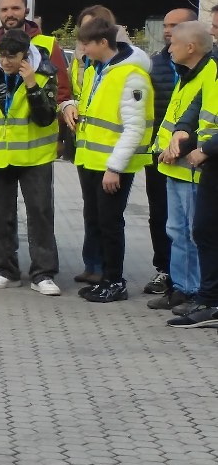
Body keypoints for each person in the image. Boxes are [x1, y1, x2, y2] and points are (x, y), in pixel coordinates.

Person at [70, 18, 154, 303]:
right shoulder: (98, 71)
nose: (82, 50)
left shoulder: (131, 75)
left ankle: (115, 281)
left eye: (86, 44)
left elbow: (134, 127)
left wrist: (114, 168)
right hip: (92, 161)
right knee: (96, 220)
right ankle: (104, 278)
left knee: (110, 223)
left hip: (112, 166)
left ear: (103, 43)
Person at [0, 30, 63, 295]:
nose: (6, 61)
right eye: (2, 55)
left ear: (26, 54)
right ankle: (5, 270)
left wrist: (32, 84)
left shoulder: (46, 72)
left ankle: (43, 274)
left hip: (36, 158)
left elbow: (47, 117)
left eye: (11, 56)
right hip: (1, 158)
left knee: (40, 214)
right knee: (0, 215)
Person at [150, 19, 213, 311]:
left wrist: (186, 146)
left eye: (174, 42)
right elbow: (184, 116)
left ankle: (193, 291)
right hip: (175, 164)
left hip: (195, 167)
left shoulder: (210, 72)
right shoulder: (187, 72)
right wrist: (172, 143)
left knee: (191, 232)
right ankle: (180, 286)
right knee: (177, 231)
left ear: (190, 47)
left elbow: (204, 118)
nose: (169, 47)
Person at [142, 8, 197, 299]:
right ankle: (164, 270)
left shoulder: (203, 69)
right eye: (165, 25)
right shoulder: (156, 64)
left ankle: (189, 283)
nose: (167, 30)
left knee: (189, 225)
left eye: (174, 25)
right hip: (159, 156)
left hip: (190, 158)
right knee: (160, 216)